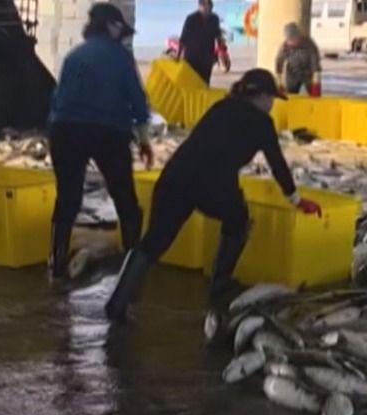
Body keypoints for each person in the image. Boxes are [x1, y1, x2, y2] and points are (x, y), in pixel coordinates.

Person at [102, 69, 323, 323]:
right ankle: (219, 284)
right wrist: (296, 199)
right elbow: (277, 164)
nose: (272, 104)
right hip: (212, 183)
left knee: (153, 242)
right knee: (238, 220)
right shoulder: (261, 123)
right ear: (260, 96)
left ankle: (117, 303)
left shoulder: (222, 107)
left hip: (174, 176)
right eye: (271, 98)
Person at [48, 3, 154, 281]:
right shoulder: (120, 57)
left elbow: (58, 100)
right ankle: (132, 262)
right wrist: (144, 141)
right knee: (124, 198)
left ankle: (56, 263)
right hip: (107, 132)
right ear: (112, 27)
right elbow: (138, 102)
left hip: (64, 130)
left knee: (68, 198)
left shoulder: (73, 56)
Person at [177, 0, 230, 84]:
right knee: (191, 82)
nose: (207, 9)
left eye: (209, 6)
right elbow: (183, 39)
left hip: (207, 58)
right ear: (199, 6)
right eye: (204, 6)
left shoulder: (214, 19)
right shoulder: (191, 19)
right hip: (192, 57)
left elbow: (218, 36)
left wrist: (222, 51)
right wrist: (178, 56)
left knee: (204, 83)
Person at [274, 22, 322, 96]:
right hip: (293, 73)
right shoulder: (285, 46)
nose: (291, 42)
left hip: (308, 72)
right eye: (289, 40)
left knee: (314, 95)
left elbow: (314, 59)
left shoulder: (308, 43)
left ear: (298, 36)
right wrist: (278, 78)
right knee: (291, 94)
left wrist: (316, 76)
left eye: (293, 39)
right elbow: (279, 60)